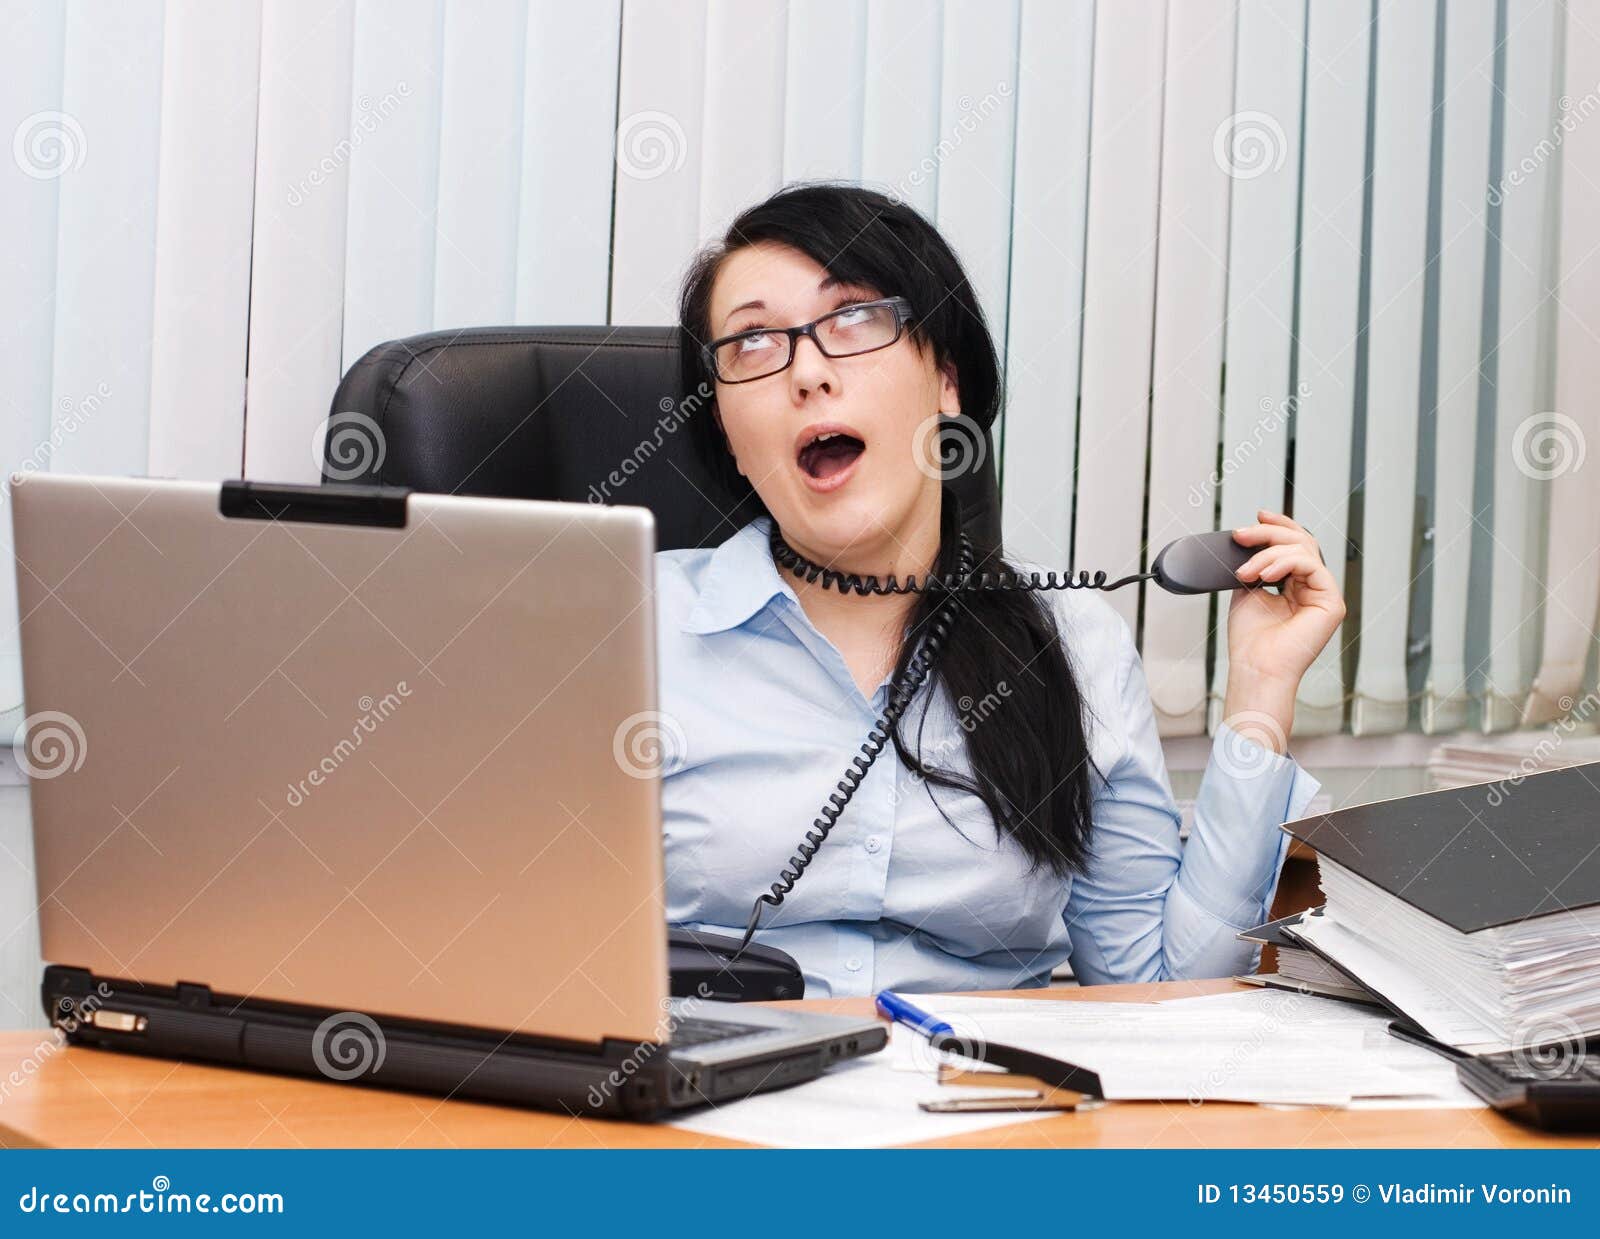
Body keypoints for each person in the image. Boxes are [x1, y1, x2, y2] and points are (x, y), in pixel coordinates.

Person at [654, 183, 1346, 997]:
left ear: (945, 381)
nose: (807, 371)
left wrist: (1260, 698)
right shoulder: (625, 626)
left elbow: (1159, 992)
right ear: (727, 433)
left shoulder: (1075, 646)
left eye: (853, 318)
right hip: (711, 1073)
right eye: (754, 342)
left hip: (981, 1077)